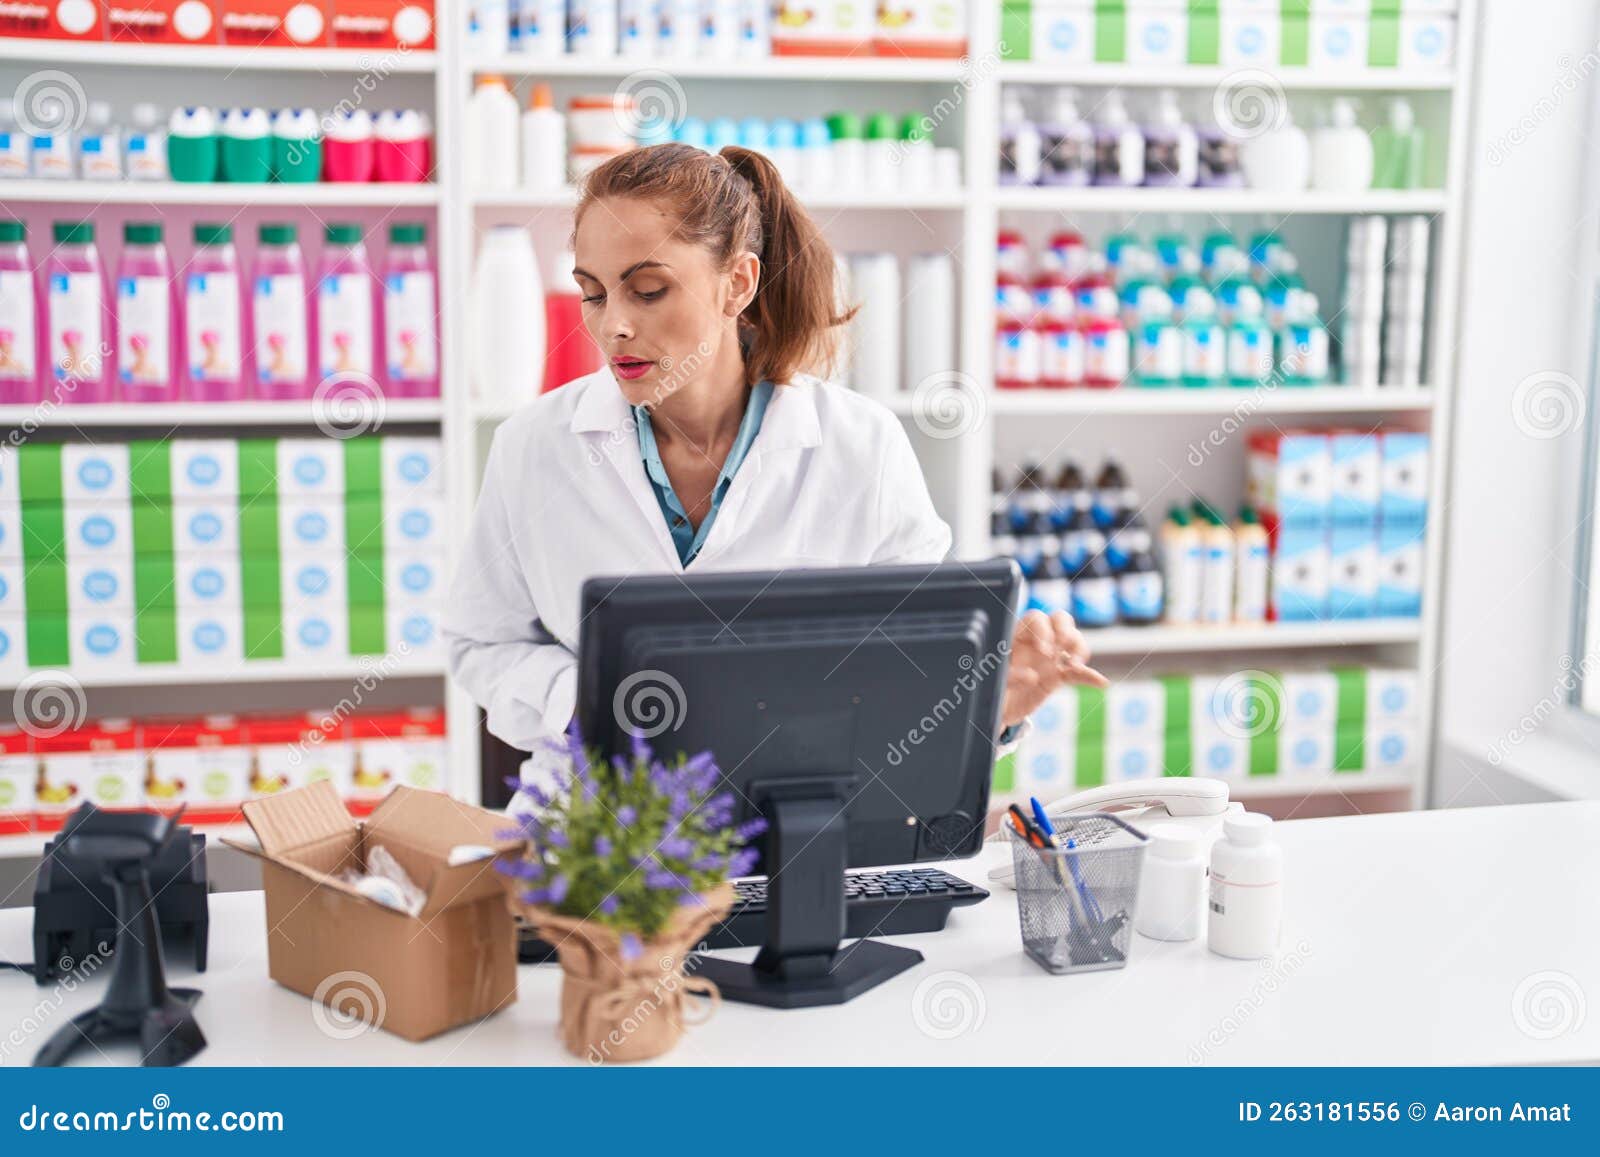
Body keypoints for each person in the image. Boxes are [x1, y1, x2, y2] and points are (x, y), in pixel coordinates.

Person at [442, 143, 1107, 791]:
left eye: (647, 290)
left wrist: (992, 708)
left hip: (804, 825)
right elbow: (481, 642)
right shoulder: (534, 445)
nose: (613, 325)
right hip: (597, 834)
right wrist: (586, 706)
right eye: (592, 293)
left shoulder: (859, 447)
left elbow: (918, 678)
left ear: (739, 282)